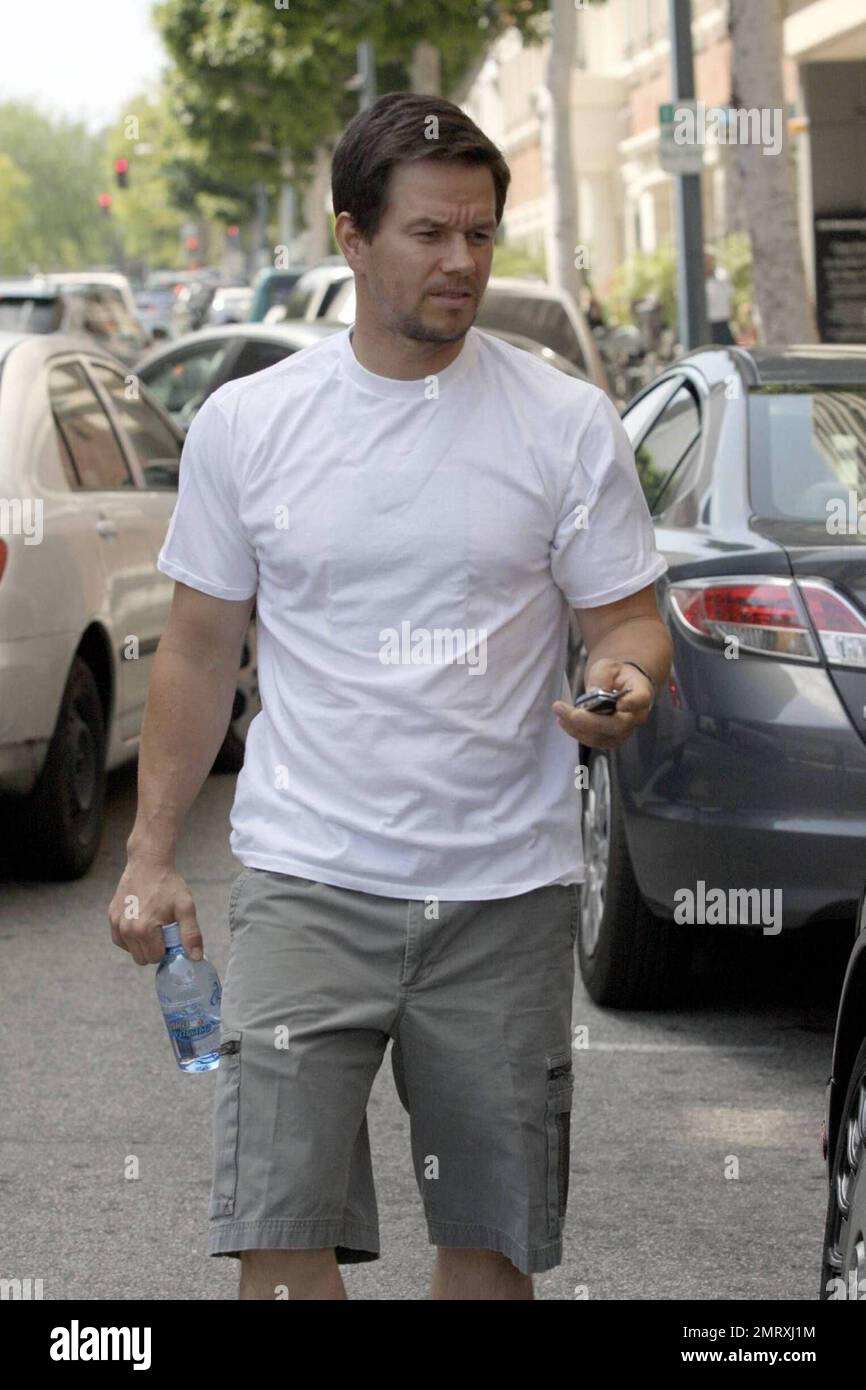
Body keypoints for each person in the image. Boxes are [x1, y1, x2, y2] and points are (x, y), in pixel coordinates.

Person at [108, 91, 672, 1302]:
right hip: (307, 880)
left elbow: (623, 618)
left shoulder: (564, 424)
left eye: (478, 234)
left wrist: (622, 679)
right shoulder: (250, 426)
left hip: (504, 892)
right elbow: (200, 652)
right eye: (428, 233)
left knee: (487, 1246)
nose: (459, 262)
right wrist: (152, 853)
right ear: (351, 236)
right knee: (274, 1233)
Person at [704, 246, 735, 345]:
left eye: (709, 259)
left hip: (723, 323)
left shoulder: (722, 275)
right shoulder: (698, 281)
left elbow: (729, 297)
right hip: (707, 326)